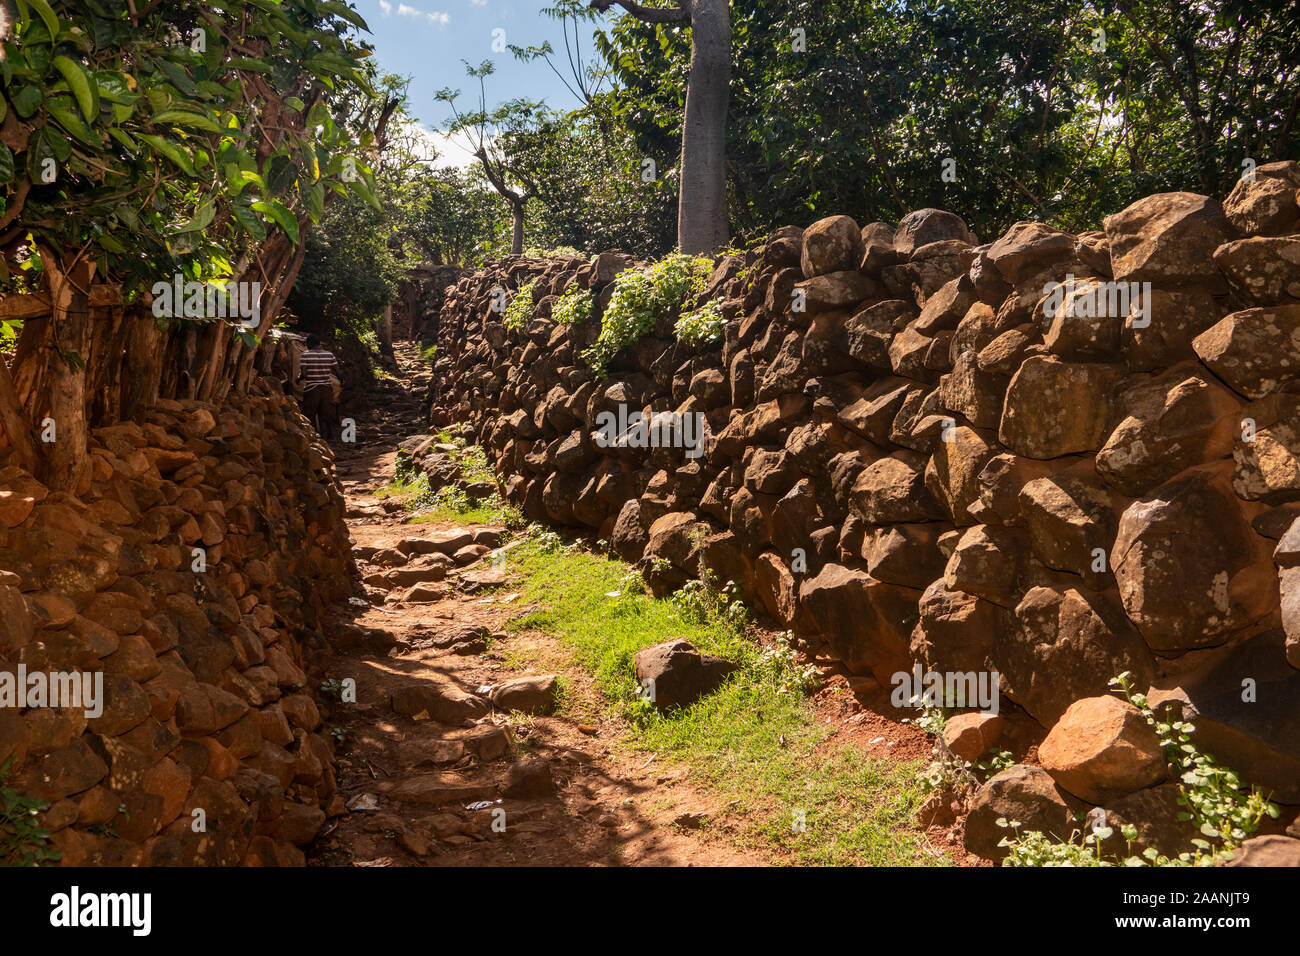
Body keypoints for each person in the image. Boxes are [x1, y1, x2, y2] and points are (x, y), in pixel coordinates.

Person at [297, 333, 340, 443]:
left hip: (312, 389)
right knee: (325, 415)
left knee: (310, 414)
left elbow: (304, 374)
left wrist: (298, 379)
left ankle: (314, 439)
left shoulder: (305, 355)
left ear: (309, 343)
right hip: (326, 389)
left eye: (306, 343)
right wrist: (342, 381)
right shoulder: (329, 355)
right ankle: (329, 438)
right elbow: (338, 372)